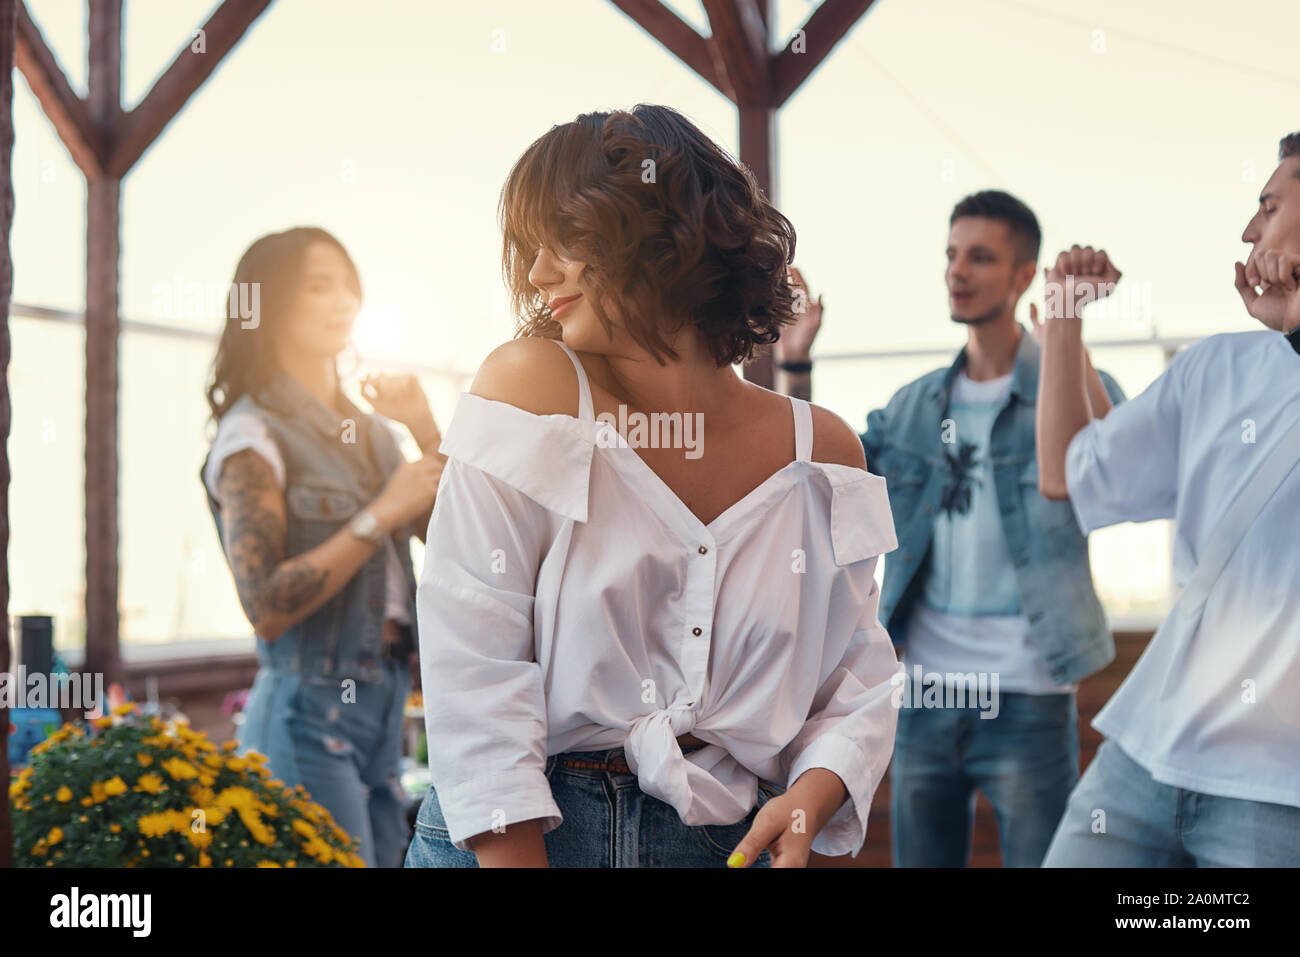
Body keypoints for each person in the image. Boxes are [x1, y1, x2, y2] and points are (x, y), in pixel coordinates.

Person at [403, 104, 903, 869]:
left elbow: (857, 677)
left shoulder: (824, 451)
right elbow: (472, 652)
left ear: (663, 230)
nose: (537, 274)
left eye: (562, 239)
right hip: (517, 834)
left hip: (722, 837)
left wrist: (812, 797)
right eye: (530, 248)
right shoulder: (532, 386)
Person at [815, 190, 1124, 867]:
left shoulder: (1065, 386)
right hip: (925, 690)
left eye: (980, 257)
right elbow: (828, 480)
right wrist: (794, 363)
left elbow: (1120, 456)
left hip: (1030, 694)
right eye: (952, 255)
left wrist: (1068, 334)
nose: (958, 271)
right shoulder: (915, 404)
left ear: (1022, 277)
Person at [1037, 132, 1300, 866]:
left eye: (1270, 204)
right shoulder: (1217, 366)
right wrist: (1063, 315)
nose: (1250, 229)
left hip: (1280, 796)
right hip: (1142, 763)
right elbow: (1067, 473)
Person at [201, 226, 444, 867]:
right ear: (271, 303)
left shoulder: (372, 435)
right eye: (318, 285)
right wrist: (380, 513)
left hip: (385, 707)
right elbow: (267, 604)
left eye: (348, 285)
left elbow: (459, 542)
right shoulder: (252, 431)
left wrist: (423, 429)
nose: (342, 301)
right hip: (307, 716)